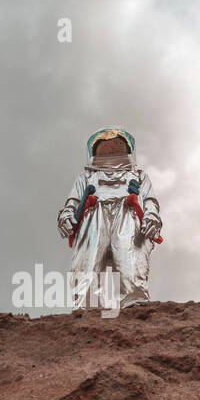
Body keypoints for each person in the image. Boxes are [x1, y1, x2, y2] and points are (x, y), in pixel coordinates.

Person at [56, 127, 163, 310]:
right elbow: (73, 201)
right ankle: (87, 308)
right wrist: (66, 215)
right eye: (106, 149)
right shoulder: (86, 177)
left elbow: (150, 199)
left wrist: (152, 217)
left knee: (129, 259)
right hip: (93, 218)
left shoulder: (138, 176)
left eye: (116, 148)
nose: (111, 152)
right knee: (87, 263)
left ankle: (134, 304)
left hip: (128, 216)